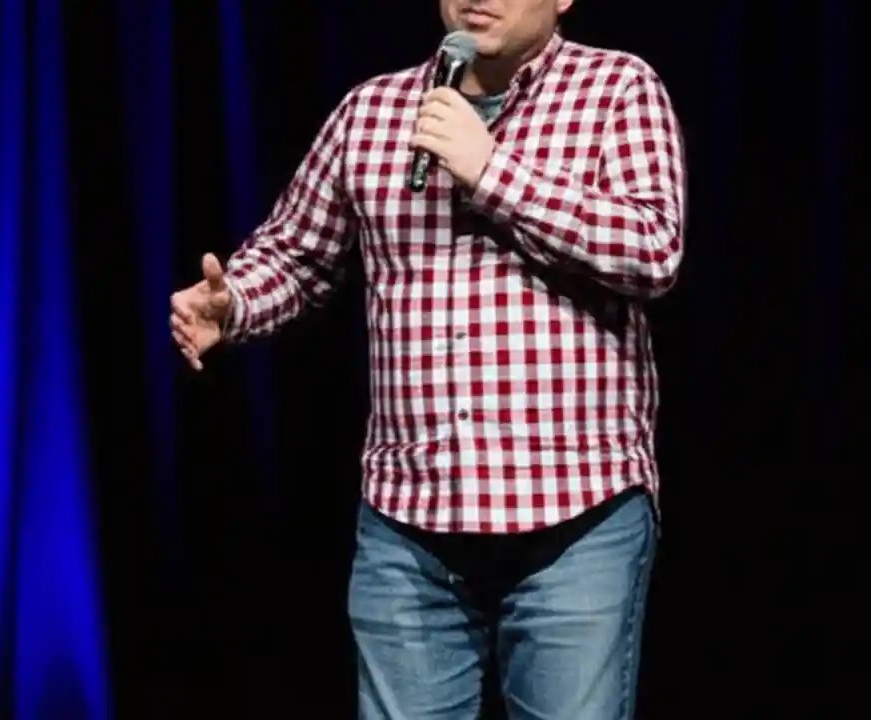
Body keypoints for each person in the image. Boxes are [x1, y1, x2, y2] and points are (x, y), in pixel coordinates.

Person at [170, 1, 685, 717]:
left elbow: (651, 250)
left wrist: (492, 171)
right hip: (410, 523)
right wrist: (233, 307)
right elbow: (296, 255)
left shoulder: (618, 89)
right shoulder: (374, 111)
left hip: (576, 517)